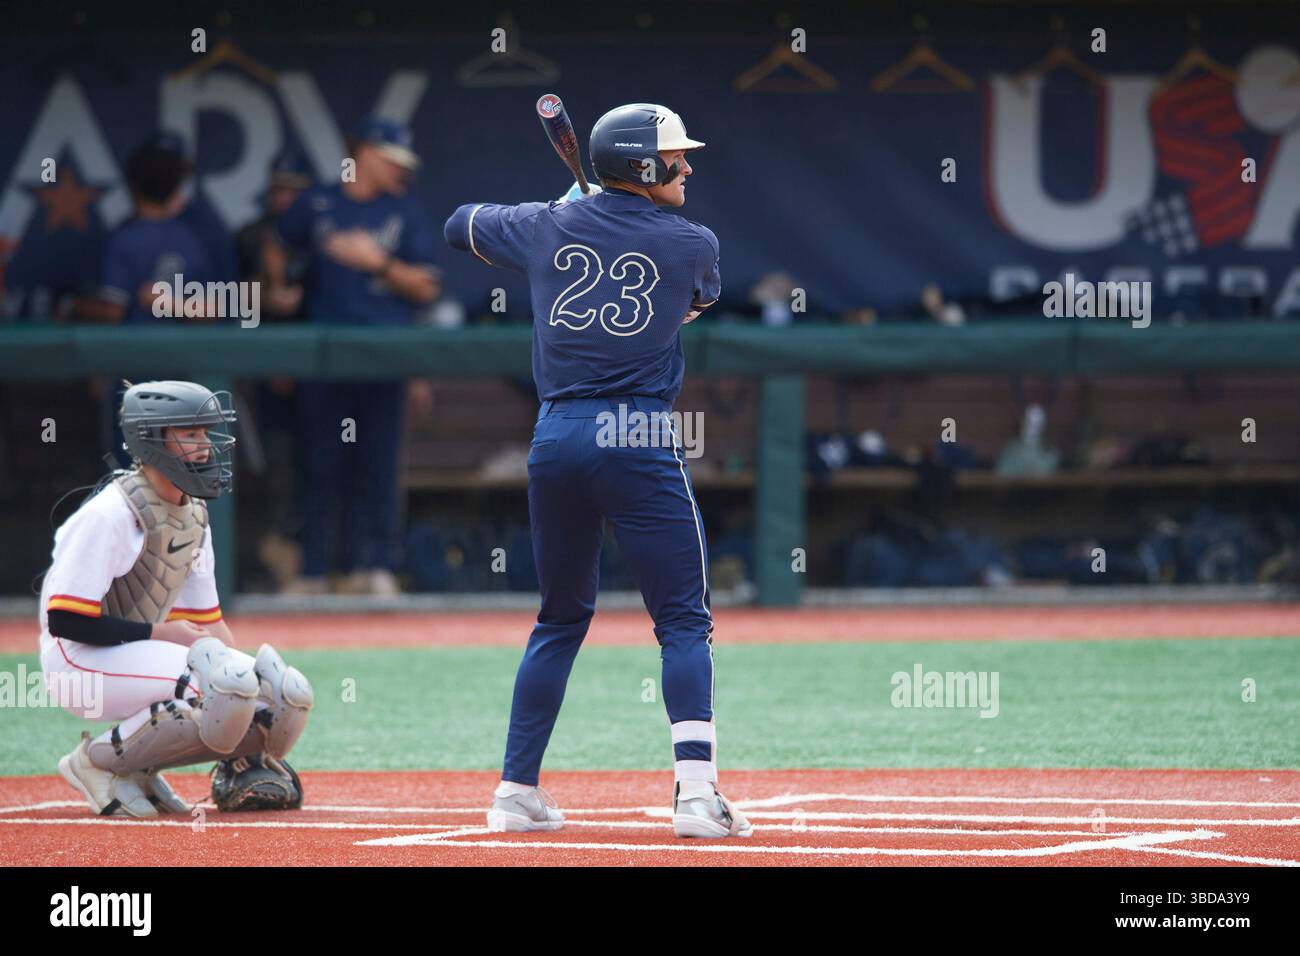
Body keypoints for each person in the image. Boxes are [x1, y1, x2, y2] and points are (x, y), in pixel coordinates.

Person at [444, 103, 751, 839]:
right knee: (682, 619)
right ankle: (698, 798)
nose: (687, 167)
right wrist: (574, 216)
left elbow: (459, 223)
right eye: (675, 158)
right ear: (644, 168)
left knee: (559, 617)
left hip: (555, 437)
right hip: (637, 430)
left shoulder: (547, 225)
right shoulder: (693, 241)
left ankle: (515, 791)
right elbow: (696, 301)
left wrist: (556, 215)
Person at [40, 380, 313, 816]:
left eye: (206, 433)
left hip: (132, 651)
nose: (205, 447)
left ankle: (140, 767)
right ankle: (93, 763)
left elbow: (208, 626)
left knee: (278, 694)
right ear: (151, 441)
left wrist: (250, 705)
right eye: (190, 434)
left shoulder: (192, 514)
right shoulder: (109, 514)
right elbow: (66, 621)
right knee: (207, 687)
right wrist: (160, 632)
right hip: (77, 660)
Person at [271, 118, 439, 596]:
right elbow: (276, 244)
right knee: (320, 464)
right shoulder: (319, 202)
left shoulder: (403, 211)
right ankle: (314, 570)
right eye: (392, 160)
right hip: (324, 358)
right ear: (365, 152)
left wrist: (377, 262)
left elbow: (427, 286)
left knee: (377, 464)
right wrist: (281, 290)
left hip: (385, 357)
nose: (398, 171)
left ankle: (375, 566)